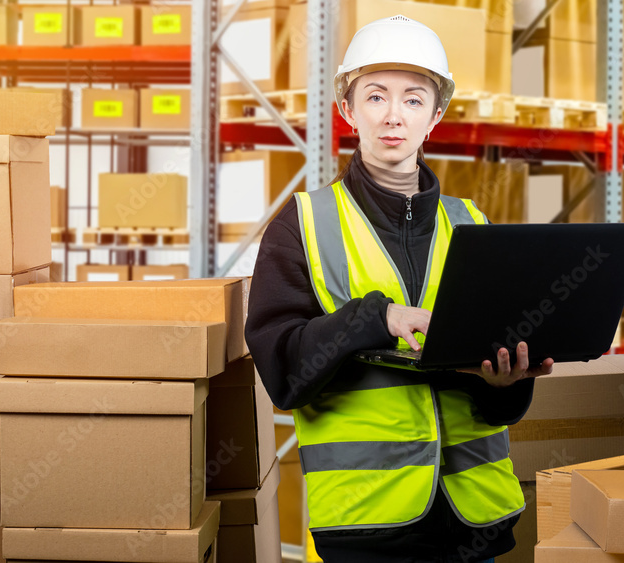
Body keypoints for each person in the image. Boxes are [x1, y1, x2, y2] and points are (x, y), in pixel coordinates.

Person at [245, 15, 553, 563]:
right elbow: (282, 372)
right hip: (367, 527)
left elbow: (495, 401)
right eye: (376, 96)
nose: (393, 116)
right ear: (348, 109)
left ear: (435, 116)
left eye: (413, 100)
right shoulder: (302, 225)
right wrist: (377, 318)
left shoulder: (472, 224)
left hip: (476, 520)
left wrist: (507, 381)